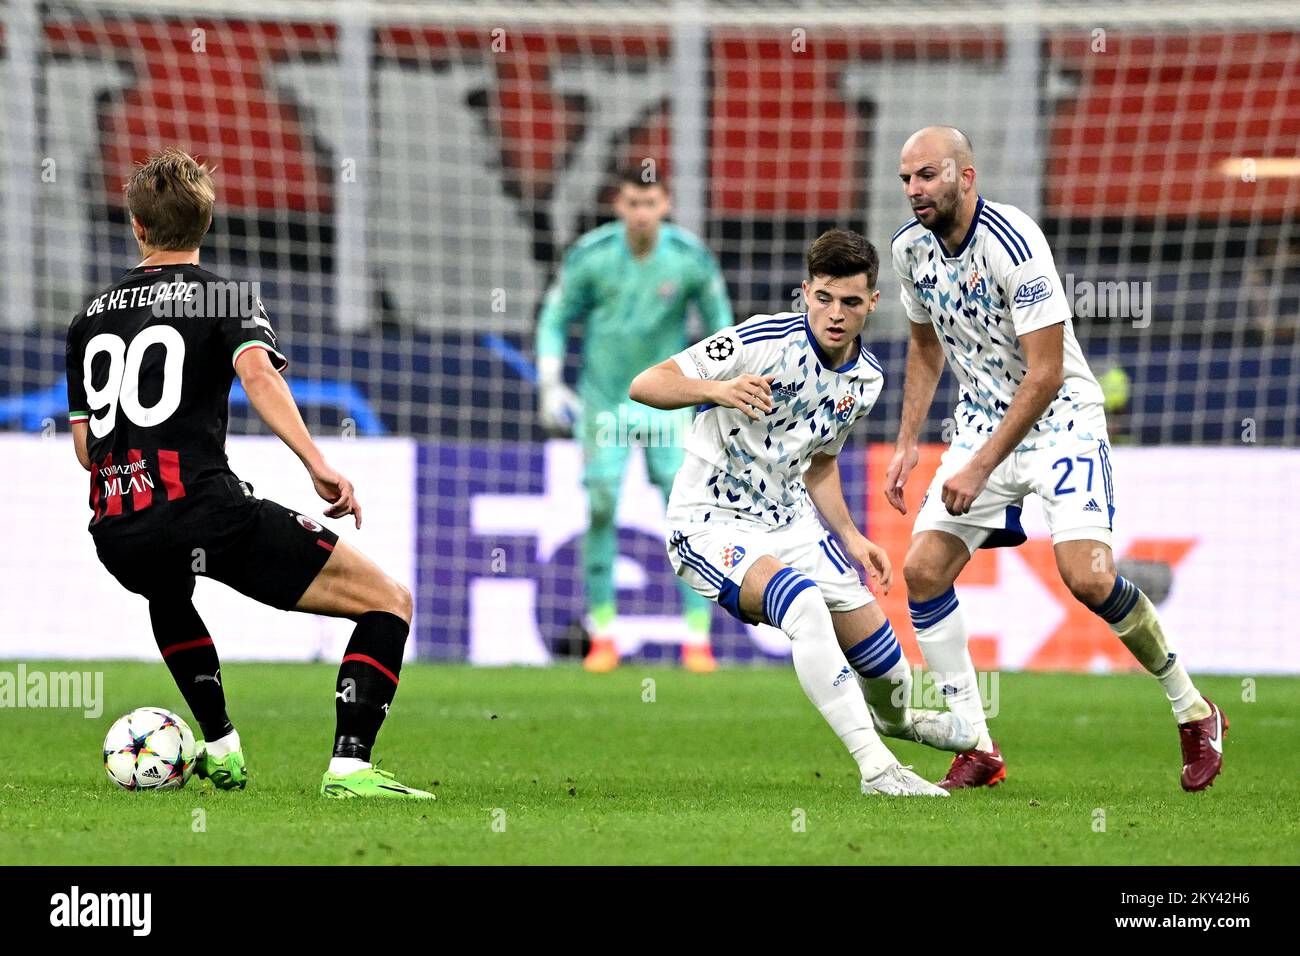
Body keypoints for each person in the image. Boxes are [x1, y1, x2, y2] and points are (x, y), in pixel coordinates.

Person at [66, 147, 430, 799]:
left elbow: (87, 451)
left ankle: (222, 747)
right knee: (387, 600)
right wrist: (318, 464)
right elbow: (257, 374)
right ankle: (350, 768)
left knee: (167, 591)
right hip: (204, 509)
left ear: (137, 226)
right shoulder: (224, 297)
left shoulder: (89, 318)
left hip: (117, 527)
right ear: (207, 225)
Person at [885, 126, 1225, 791]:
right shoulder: (908, 252)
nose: (914, 191)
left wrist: (980, 468)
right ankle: (977, 747)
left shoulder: (1015, 244)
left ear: (965, 175)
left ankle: (1194, 709)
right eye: (906, 180)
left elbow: (1043, 374)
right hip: (982, 423)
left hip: (1060, 418)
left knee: (1089, 578)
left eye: (927, 175)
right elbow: (924, 347)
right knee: (923, 572)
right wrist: (906, 441)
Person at [630, 229, 977, 797]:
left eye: (849, 302)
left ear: (872, 303)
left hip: (794, 525)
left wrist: (852, 536)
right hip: (708, 523)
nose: (834, 314)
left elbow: (818, 464)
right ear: (806, 293)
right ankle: (877, 769)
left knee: (887, 672)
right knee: (805, 608)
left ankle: (901, 725)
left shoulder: (866, 381)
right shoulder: (761, 341)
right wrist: (717, 391)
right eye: (823, 298)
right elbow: (646, 384)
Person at [536, 167, 734, 672]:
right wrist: (550, 379)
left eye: (650, 203)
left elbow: (721, 327)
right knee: (602, 505)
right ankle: (604, 634)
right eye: (632, 203)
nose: (641, 213)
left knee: (685, 509)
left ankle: (697, 639)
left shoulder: (689, 260)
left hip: (667, 403)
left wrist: (719, 387)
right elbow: (556, 317)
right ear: (619, 205)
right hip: (605, 405)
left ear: (665, 204)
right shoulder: (593, 256)